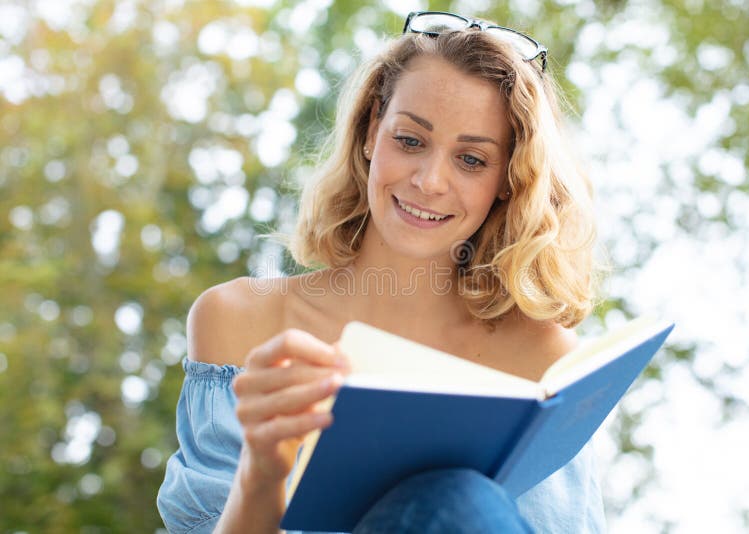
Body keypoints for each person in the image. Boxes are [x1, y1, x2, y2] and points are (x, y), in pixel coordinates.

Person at [158, 10, 605, 534]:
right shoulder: (242, 322)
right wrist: (262, 473)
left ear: (508, 179)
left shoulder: (543, 361)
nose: (430, 181)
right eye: (410, 141)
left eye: (472, 160)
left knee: (456, 498)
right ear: (372, 132)